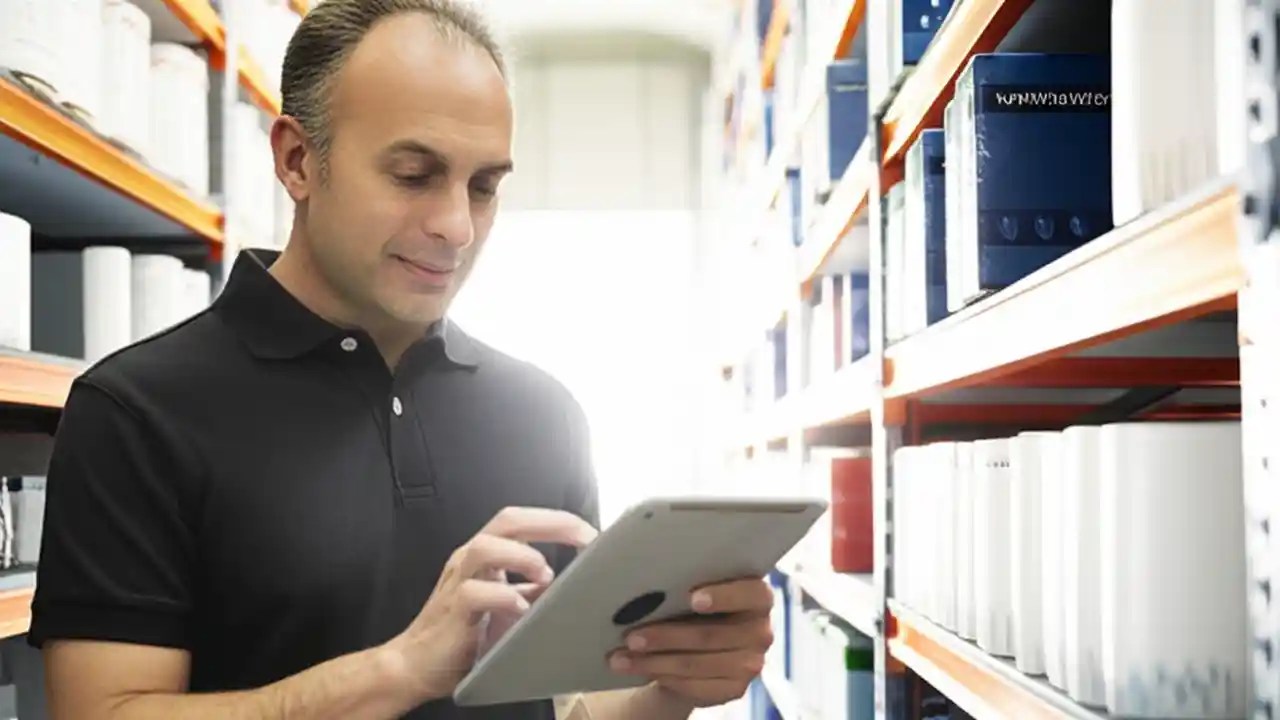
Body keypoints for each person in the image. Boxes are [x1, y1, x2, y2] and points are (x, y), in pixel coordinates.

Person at [28, 1, 776, 718]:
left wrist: (675, 684)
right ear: (297, 160)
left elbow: (566, 708)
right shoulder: (136, 414)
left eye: (484, 187)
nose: (457, 226)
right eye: (414, 175)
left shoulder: (543, 415)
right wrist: (399, 671)